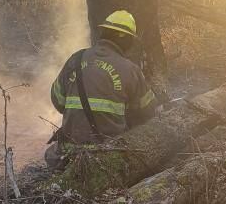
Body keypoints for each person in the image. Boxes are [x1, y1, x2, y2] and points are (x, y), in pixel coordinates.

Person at [45, 10, 157, 170]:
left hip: (69, 152)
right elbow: (147, 113)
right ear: (124, 37)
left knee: (50, 153)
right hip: (109, 154)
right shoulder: (130, 69)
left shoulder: (76, 59)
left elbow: (58, 100)